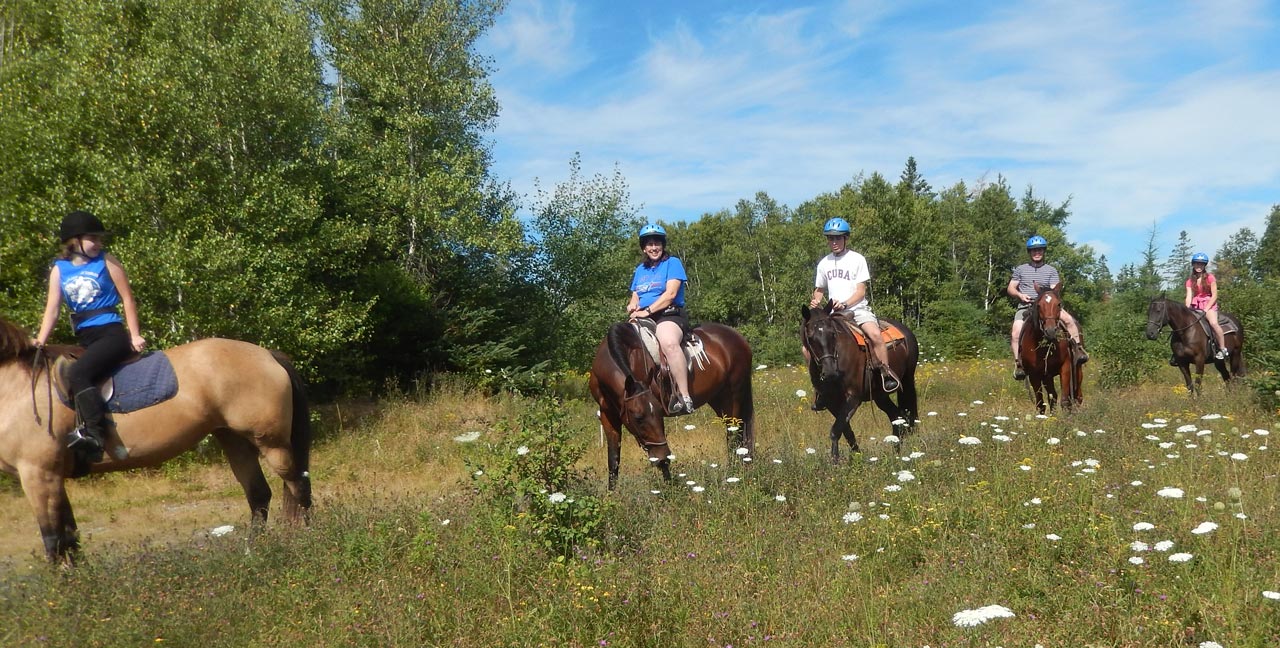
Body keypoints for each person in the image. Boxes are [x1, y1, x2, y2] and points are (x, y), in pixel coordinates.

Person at [33, 210, 146, 461]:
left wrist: (134, 335)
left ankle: (94, 435)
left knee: (78, 373)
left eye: (99, 239)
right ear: (74, 241)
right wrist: (41, 340)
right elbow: (52, 310)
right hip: (86, 337)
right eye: (92, 238)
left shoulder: (107, 261)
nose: (98, 243)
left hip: (111, 333)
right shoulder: (59, 270)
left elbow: (127, 299)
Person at [804, 217, 899, 410]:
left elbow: (861, 291)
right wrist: (816, 300)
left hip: (856, 310)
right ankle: (820, 387)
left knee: (875, 335)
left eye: (838, 238)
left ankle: (886, 376)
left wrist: (846, 303)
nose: (834, 242)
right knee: (807, 348)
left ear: (846, 238)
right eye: (830, 238)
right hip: (832, 314)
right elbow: (820, 289)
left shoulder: (857, 259)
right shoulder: (824, 263)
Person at [626, 223, 694, 414]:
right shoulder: (640, 270)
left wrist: (646, 311)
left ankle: (684, 395)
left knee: (668, 342)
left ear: (662, 245)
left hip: (669, 315)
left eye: (657, 243)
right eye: (649, 244)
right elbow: (635, 295)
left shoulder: (672, 263)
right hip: (643, 316)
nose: (653, 248)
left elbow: (670, 294)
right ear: (644, 248)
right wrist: (632, 305)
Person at [1008, 235, 1088, 380]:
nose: (1036, 253)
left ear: (1043, 251)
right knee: (1015, 332)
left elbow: (1053, 290)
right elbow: (1011, 288)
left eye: (1039, 250)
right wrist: (1020, 295)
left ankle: (1078, 349)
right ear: (1029, 252)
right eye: (1033, 251)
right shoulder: (1021, 269)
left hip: (1047, 307)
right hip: (1026, 305)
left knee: (1069, 321)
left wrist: (1046, 300)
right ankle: (1019, 364)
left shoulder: (1051, 270)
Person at [1185, 252, 1229, 360]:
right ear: (1193, 265)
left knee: (1213, 323)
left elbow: (1214, 295)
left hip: (1209, 304)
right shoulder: (1190, 281)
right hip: (1196, 305)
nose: (1198, 266)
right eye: (1196, 264)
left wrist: (1206, 308)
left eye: (1201, 264)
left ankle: (1223, 349)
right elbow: (1189, 296)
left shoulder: (1210, 278)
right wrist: (1186, 308)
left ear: (1204, 265)